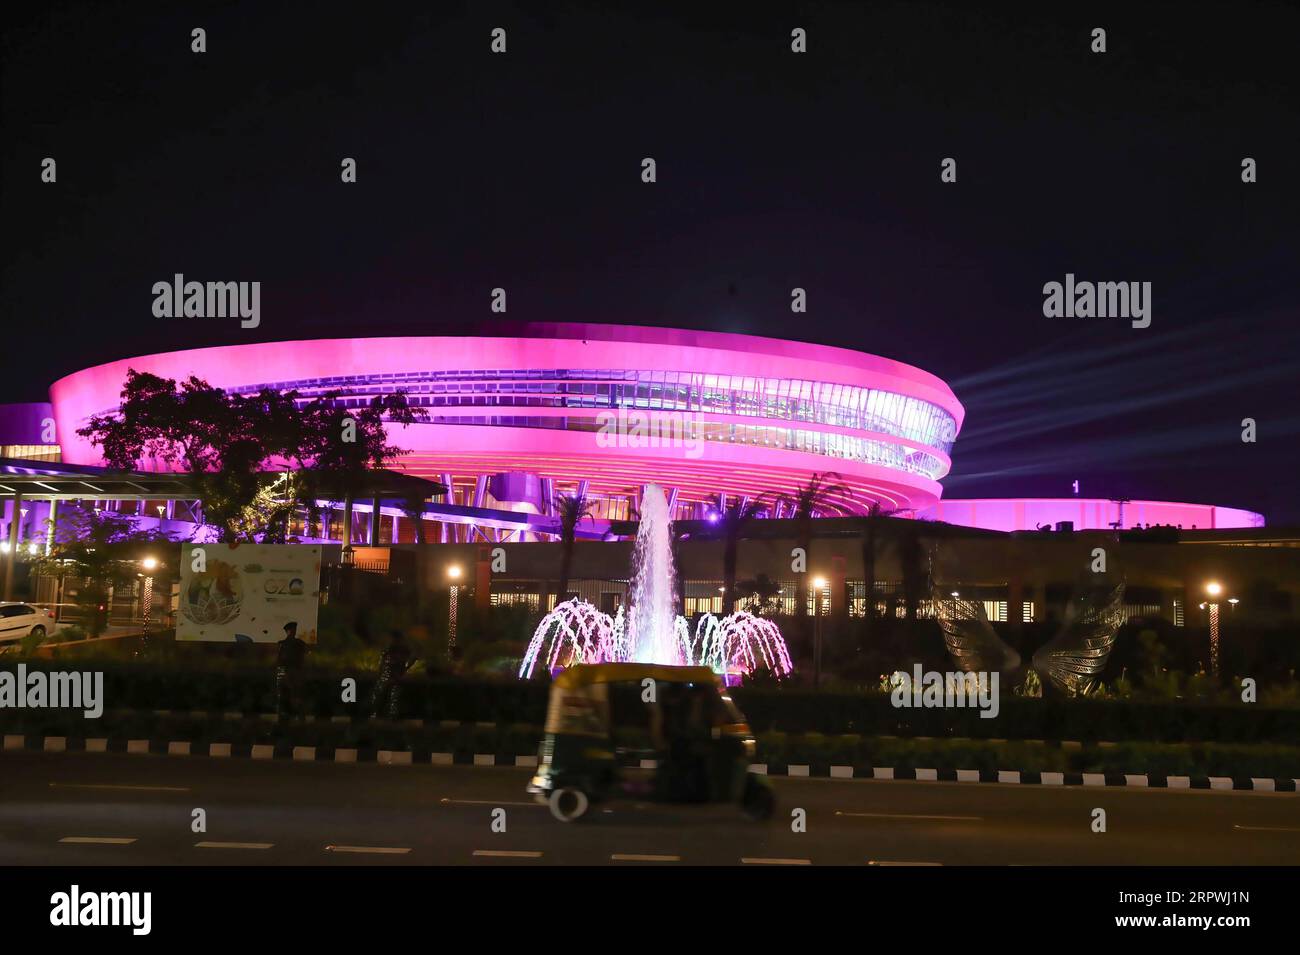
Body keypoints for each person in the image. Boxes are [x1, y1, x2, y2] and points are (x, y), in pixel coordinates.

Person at [370, 630, 413, 720]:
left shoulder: (400, 650)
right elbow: (385, 663)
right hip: (392, 676)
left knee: (392, 696)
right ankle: (385, 714)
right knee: (386, 696)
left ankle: (390, 715)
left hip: (395, 676)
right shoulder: (392, 649)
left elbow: (403, 661)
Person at [275, 621, 308, 718]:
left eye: (294, 630)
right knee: (288, 695)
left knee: (295, 695)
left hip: (294, 672)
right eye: (292, 630)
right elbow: (280, 661)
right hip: (289, 672)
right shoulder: (284, 644)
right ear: (288, 631)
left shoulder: (298, 644)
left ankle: (295, 715)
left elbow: (302, 658)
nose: (293, 632)